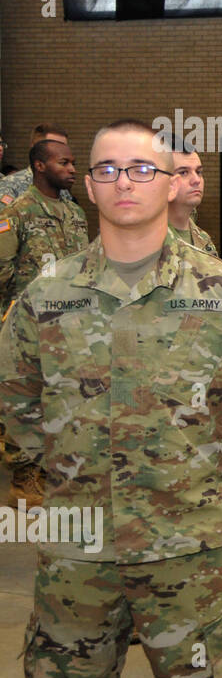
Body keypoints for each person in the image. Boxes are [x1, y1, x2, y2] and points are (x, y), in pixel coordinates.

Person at [0, 118, 222, 678]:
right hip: (75, 550)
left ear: (167, 184)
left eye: (140, 170)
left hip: (187, 546)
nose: (123, 182)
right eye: (106, 170)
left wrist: (196, 467)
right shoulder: (46, 294)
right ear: (89, 186)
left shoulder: (221, 291)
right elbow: (15, 402)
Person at [0, 138, 89, 509]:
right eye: (64, 163)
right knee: (25, 398)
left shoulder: (76, 214)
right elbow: (2, 271)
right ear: (40, 166)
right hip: (29, 324)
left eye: (73, 163)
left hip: (71, 326)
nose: (72, 169)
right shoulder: (16, 213)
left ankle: (58, 470)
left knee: (65, 398)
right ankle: (24, 478)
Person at [0, 124, 75, 206]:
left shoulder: (62, 190)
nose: (62, 151)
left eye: (63, 146)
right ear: (35, 148)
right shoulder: (11, 186)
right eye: (55, 145)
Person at [168, 145, 218, 256]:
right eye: (183, 172)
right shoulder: (146, 242)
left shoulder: (204, 239)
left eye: (199, 172)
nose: (196, 180)